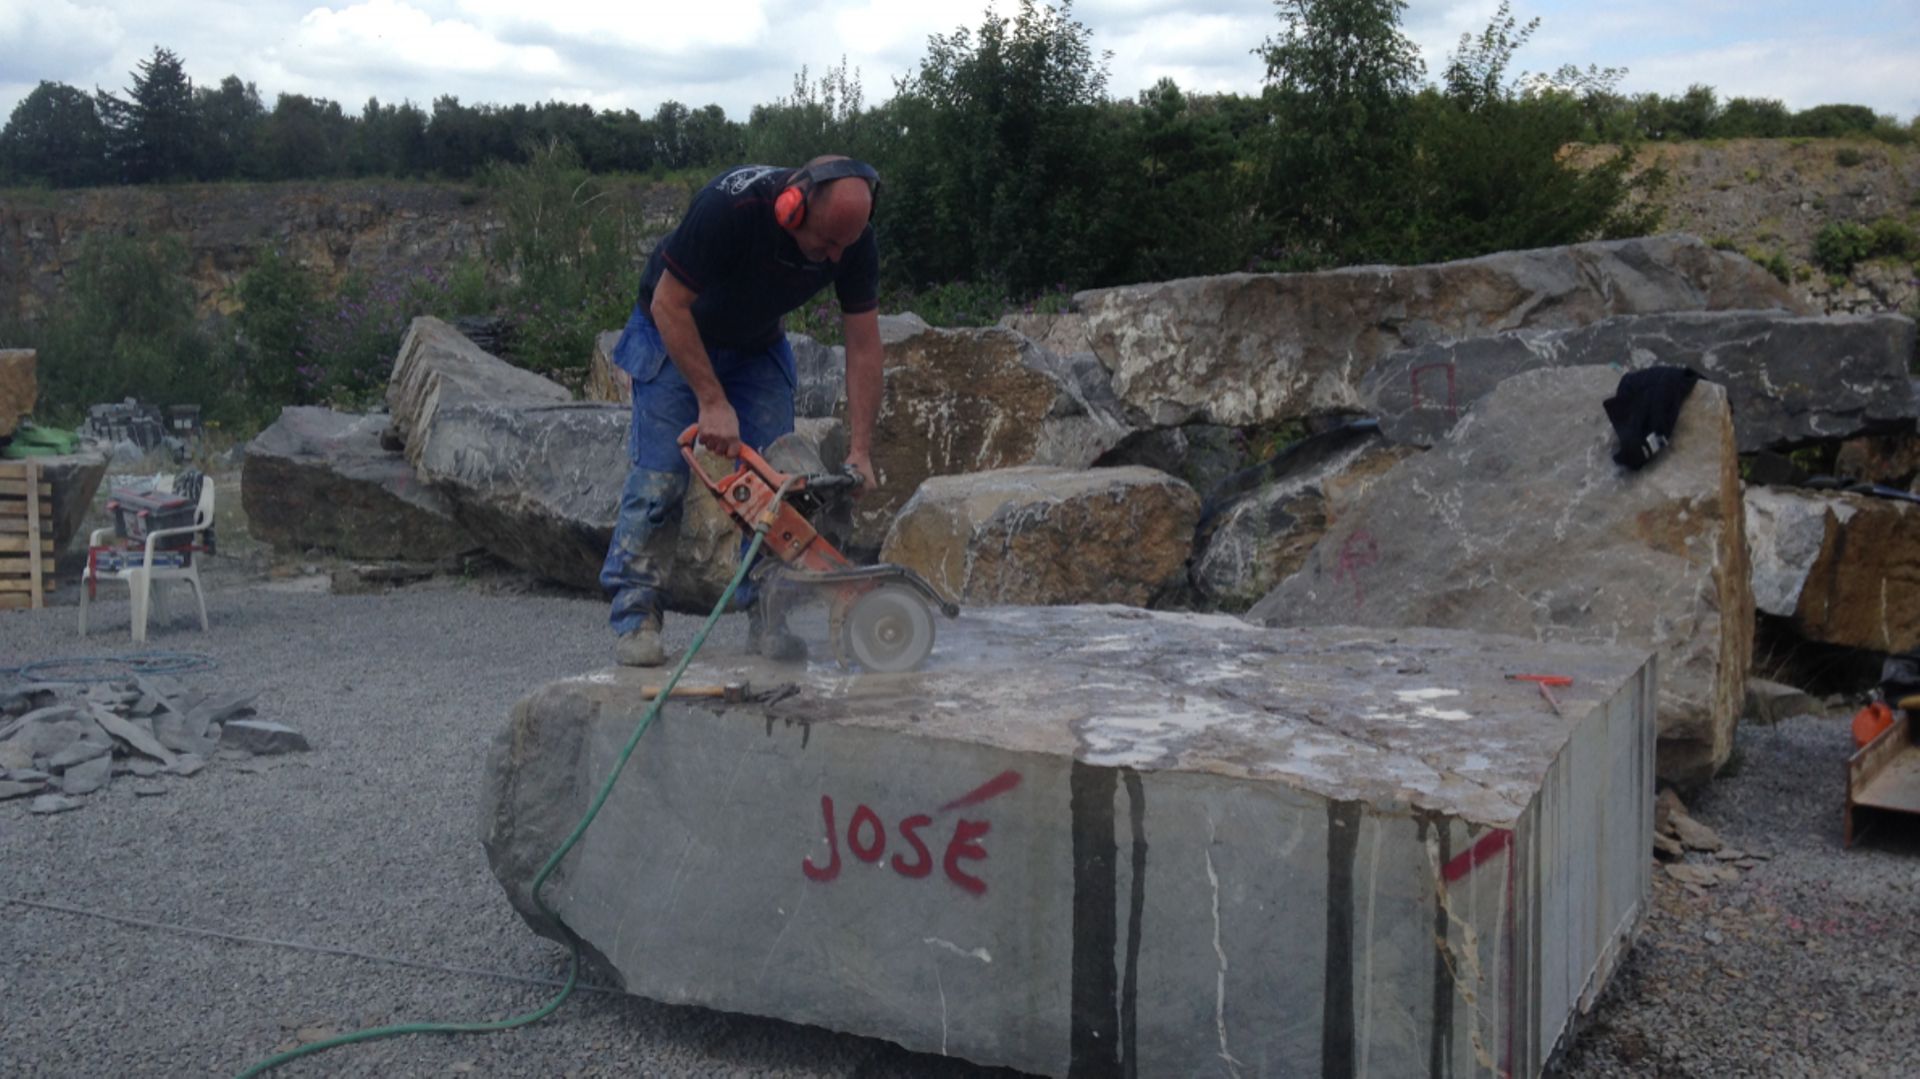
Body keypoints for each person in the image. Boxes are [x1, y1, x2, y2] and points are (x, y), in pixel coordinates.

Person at [600, 156, 885, 667]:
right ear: (792, 208)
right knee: (658, 485)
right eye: (824, 242)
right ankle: (636, 615)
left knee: (775, 490)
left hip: (755, 345)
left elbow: (863, 345)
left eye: (844, 245)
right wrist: (712, 401)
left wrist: (862, 451)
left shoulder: (852, 241)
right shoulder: (729, 208)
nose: (832, 257)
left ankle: (768, 617)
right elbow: (669, 304)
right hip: (672, 330)